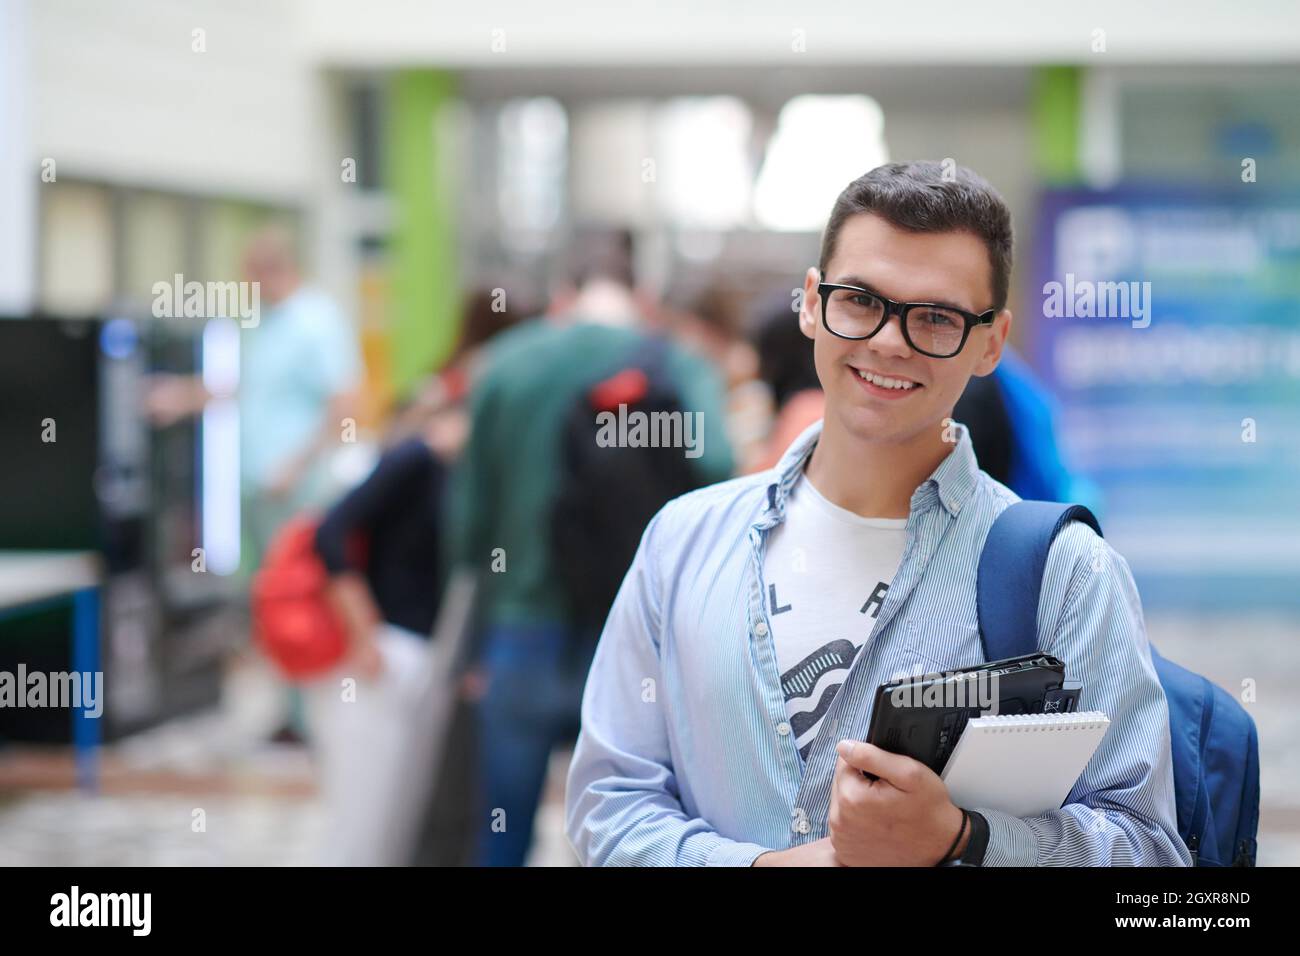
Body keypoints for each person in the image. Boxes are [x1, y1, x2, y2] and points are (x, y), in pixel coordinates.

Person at [565, 161, 1190, 867]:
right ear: (811, 302)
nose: (890, 341)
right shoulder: (682, 541)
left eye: (935, 317)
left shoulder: (1066, 574)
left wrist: (963, 840)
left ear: (990, 341)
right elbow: (607, 804)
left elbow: (1148, 852)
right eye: (860, 300)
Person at [448, 229, 735, 866]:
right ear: (643, 295)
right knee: (629, 832)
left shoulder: (505, 364)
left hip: (521, 628)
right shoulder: (677, 364)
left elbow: (468, 522)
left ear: (562, 294)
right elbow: (720, 471)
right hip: (639, 642)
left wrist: (472, 636)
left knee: (502, 829)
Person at [145, 226, 362, 744]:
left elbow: (344, 403)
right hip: (255, 488)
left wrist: (297, 462)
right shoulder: (259, 326)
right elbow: (244, 389)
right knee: (270, 602)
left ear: (274, 269)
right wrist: (181, 397)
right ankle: (292, 712)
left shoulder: (317, 321)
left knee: (305, 597)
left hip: (298, 488)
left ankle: (320, 712)